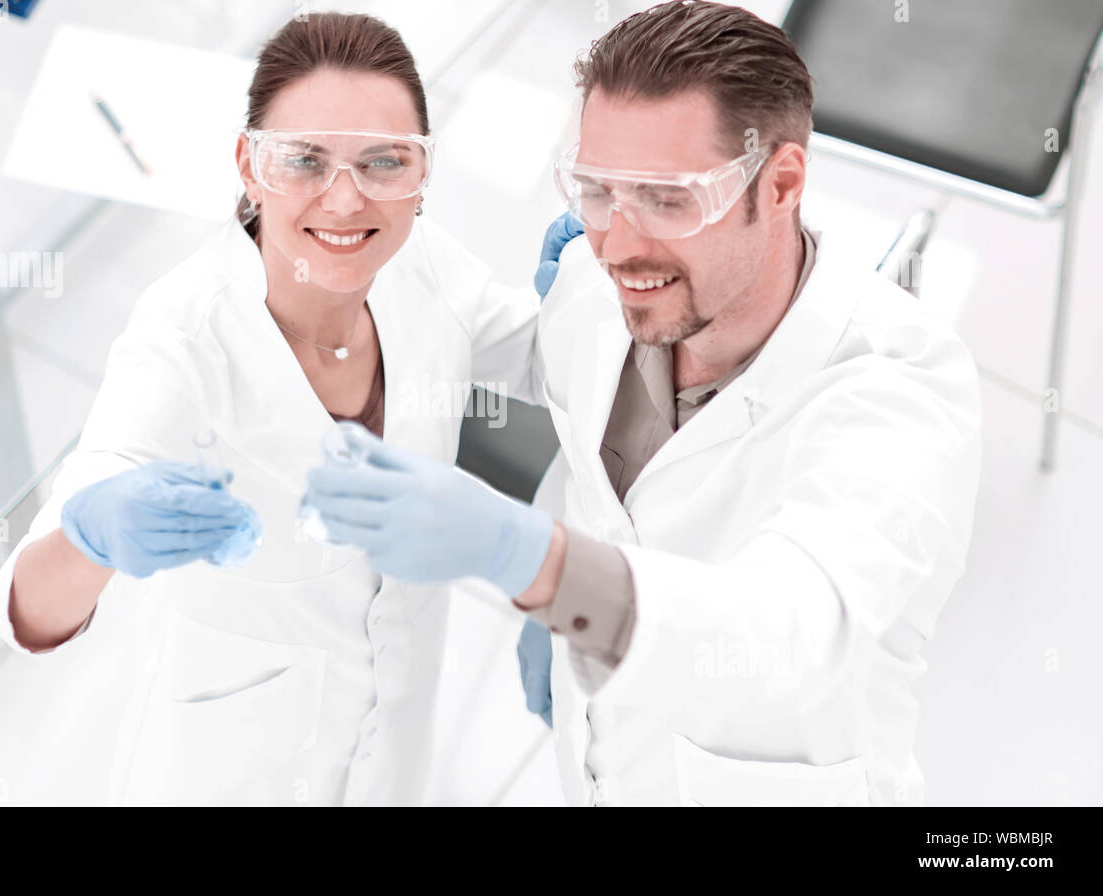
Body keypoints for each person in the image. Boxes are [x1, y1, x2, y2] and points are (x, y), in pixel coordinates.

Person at [302, 0, 983, 806]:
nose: (616, 245)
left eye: (666, 198)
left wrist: (531, 558)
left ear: (781, 182)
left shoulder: (900, 389)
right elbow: (532, 355)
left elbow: (789, 638)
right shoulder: (603, 286)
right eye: (596, 190)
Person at [0, 11, 555, 806]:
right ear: (249, 167)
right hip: (229, 772)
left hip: (393, 742)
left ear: (421, 176)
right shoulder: (184, 336)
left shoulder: (421, 265)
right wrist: (91, 532)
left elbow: (541, 356)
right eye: (304, 161)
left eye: (385, 162)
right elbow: (32, 609)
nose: (344, 199)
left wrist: (595, 294)